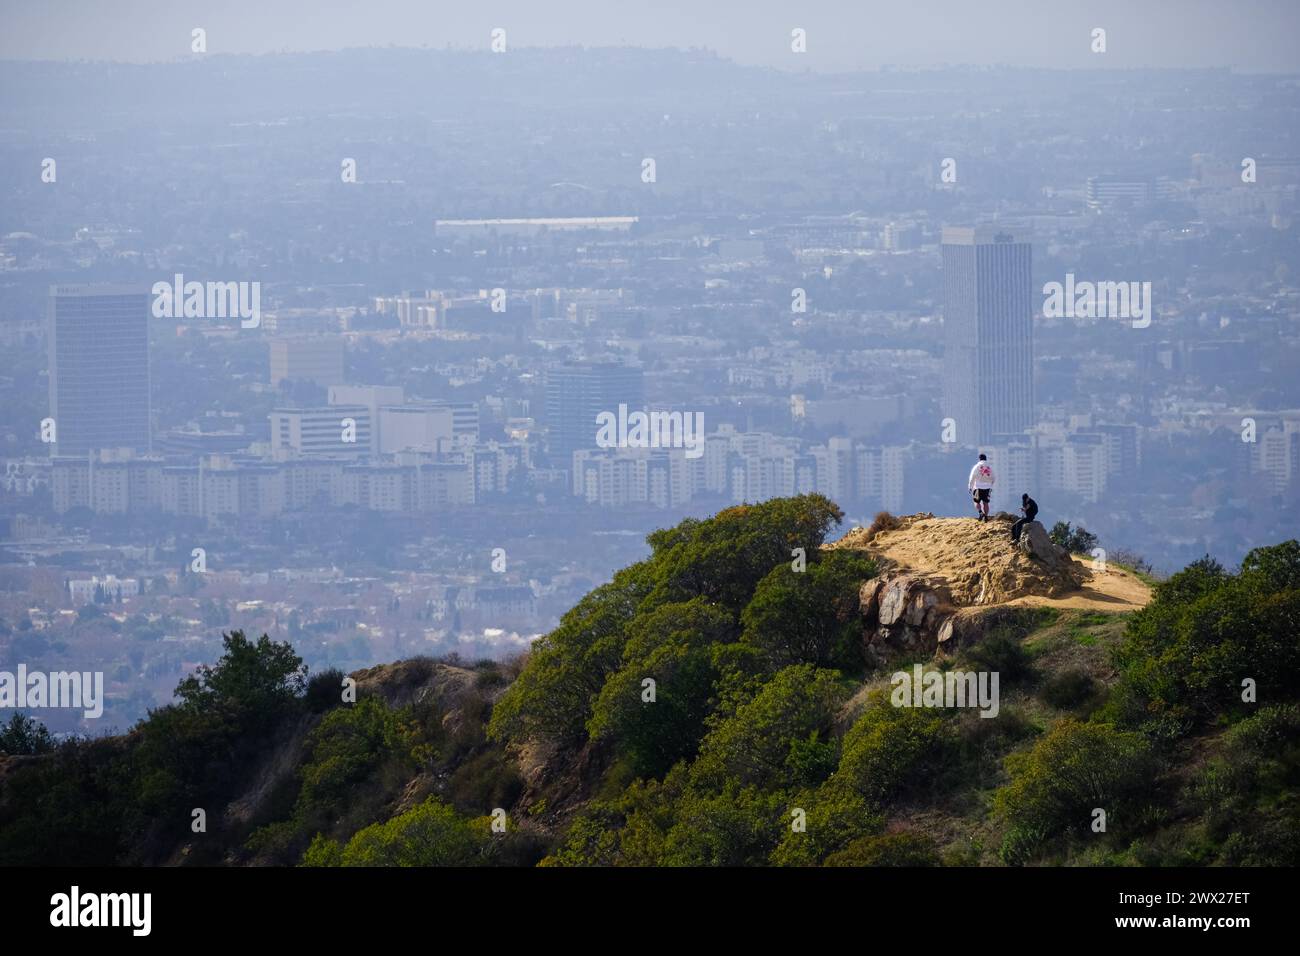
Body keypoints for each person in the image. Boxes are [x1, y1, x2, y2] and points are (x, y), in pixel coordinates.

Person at [967, 453, 995, 522]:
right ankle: (986, 517)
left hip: (978, 487)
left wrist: (970, 486)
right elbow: (994, 477)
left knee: (976, 501)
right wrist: (990, 485)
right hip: (987, 487)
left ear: (979, 459)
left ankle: (980, 512)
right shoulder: (990, 467)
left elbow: (972, 477)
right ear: (986, 459)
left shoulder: (976, 466)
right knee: (986, 503)